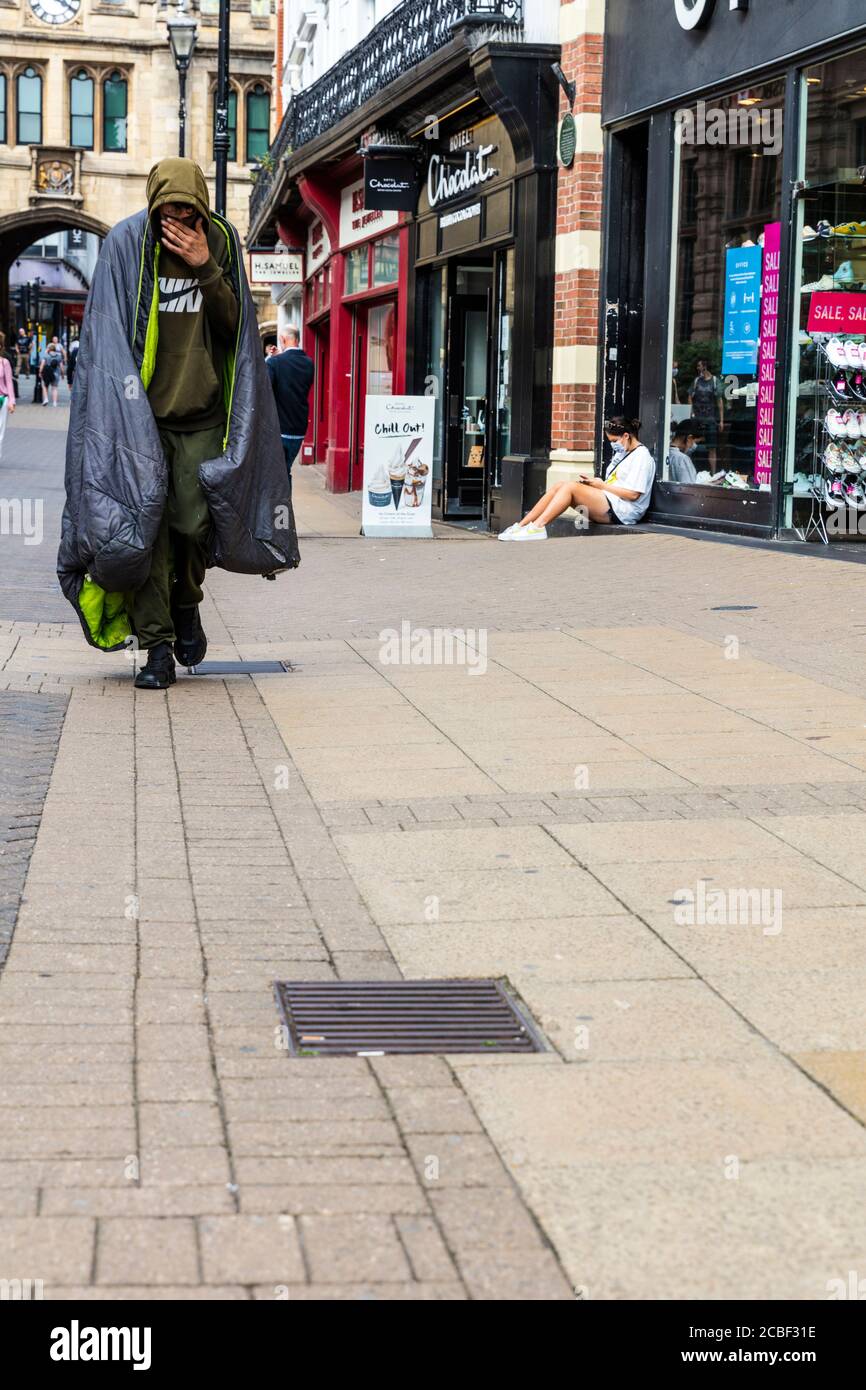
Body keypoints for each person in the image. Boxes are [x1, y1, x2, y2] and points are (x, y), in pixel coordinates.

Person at [57, 156, 300, 690]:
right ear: (152, 201)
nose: (176, 218)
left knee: (192, 526)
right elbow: (107, 333)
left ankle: (187, 604)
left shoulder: (221, 240)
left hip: (204, 417)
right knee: (146, 534)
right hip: (138, 421)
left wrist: (206, 266)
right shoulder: (126, 244)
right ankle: (158, 648)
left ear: (201, 206)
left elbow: (236, 329)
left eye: (186, 210)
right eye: (167, 208)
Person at [498, 417, 656, 540]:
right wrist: (594, 485)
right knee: (560, 485)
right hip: (611, 502)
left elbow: (634, 494)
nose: (613, 445)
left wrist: (601, 486)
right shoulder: (624, 453)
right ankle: (522, 525)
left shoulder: (641, 457)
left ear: (626, 436)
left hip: (625, 512)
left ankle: (538, 527)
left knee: (570, 488)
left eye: (614, 441)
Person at [266, 325, 314, 494]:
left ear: (282, 340)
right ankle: (283, 512)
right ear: (298, 340)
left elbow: (265, 389)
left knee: (277, 475)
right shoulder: (309, 364)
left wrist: (269, 360)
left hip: (279, 428)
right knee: (285, 470)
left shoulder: (274, 363)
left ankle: (280, 513)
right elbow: (292, 375)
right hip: (299, 429)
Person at [688, 358, 724, 470]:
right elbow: (690, 396)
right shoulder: (696, 381)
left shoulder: (714, 381)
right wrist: (692, 411)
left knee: (712, 448)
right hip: (697, 419)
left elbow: (719, 401)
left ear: (705, 367)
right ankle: (692, 469)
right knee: (690, 443)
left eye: (699, 366)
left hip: (710, 419)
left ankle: (713, 473)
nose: (697, 368)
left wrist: (721, 420)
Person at [667, 419, 703, 483]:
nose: (693, 446)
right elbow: (690, 488)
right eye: (694, 442)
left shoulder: (664, 452)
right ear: (689, 438)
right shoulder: (683, 459)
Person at [0, 332, 16, 461]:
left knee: (0, 430)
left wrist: (11, 401)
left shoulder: (4, 363)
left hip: (2, 399)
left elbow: (9, 383)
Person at [39, 336, 65, 407]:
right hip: (56, 374)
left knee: (45, 386)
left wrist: (40, 372)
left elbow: (42, 365)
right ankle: (54, 403)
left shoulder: (46, 356)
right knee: (54, 388)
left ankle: (46, 399)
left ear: (49, 349)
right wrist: (62, 375)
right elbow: (61, 367)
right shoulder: (59, 356)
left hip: (47, 374)